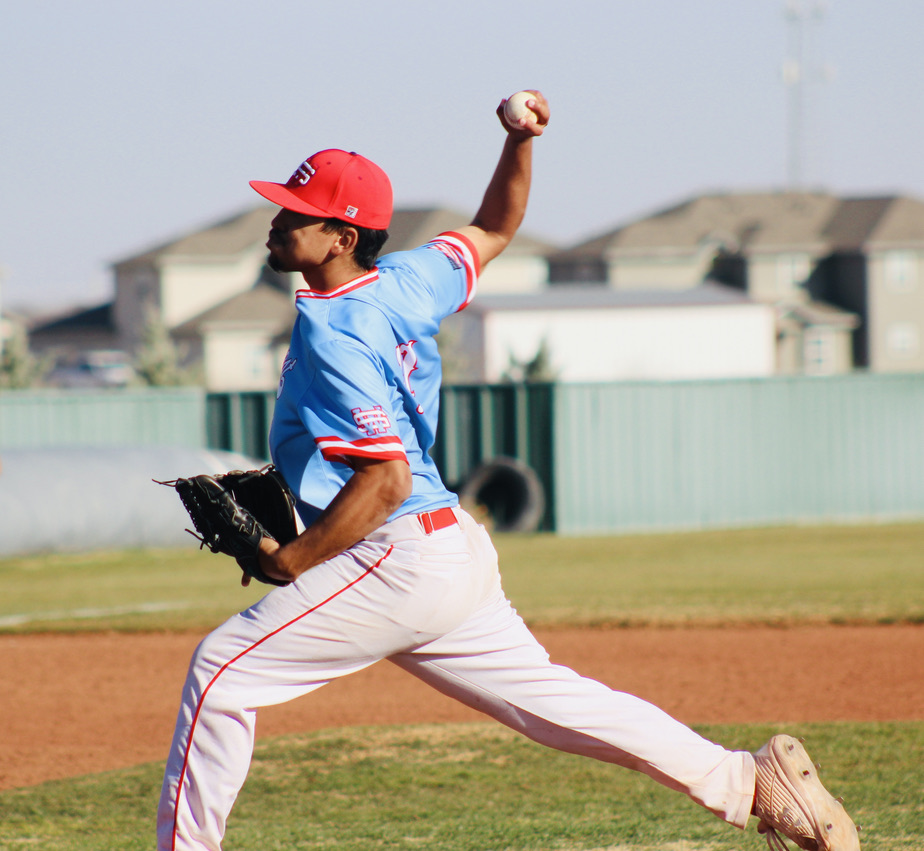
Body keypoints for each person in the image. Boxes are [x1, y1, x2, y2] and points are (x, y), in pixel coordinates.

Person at [157, 91, 860, 851]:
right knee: (556, 704)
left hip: (397, 555)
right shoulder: (408, 279)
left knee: (221, 673)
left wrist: (291, 559)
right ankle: (752, 783)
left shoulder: (337, 331)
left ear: (341, 236)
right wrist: (520, 141)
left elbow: (385, 481)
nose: (278, 219)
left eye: (299, 212)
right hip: (448, 547)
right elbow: (495, 227)